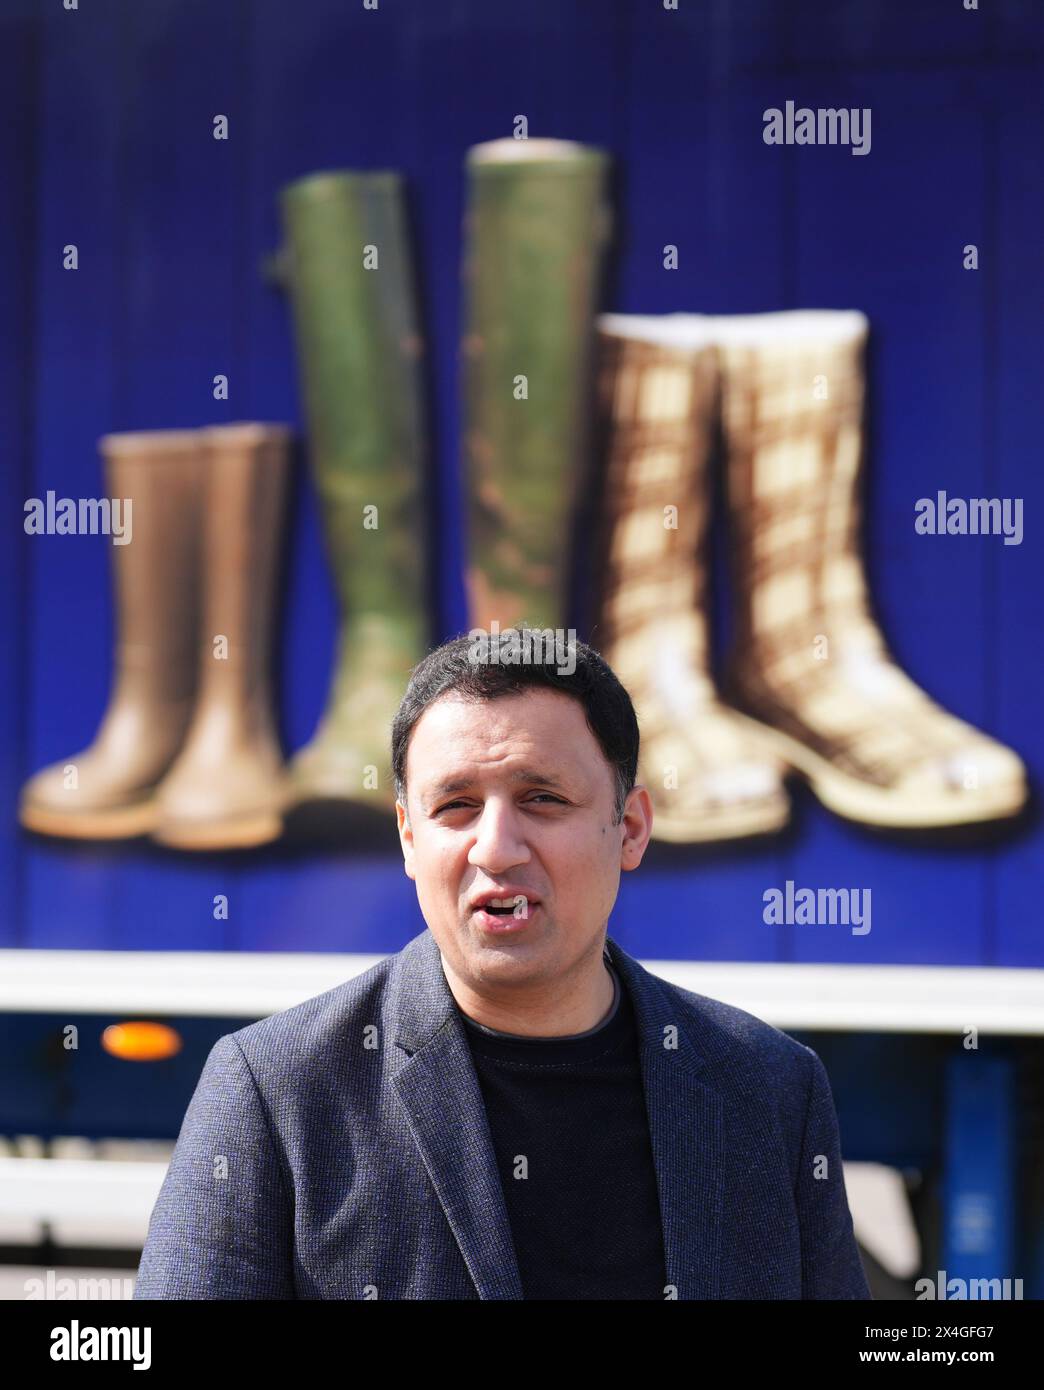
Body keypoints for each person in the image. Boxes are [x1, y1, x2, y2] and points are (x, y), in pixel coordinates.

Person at [134, 630, 871, 1300]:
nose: (495, 847)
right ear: (407, 839)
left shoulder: (769, 1088)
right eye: (455, 805)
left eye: (542, 798)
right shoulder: (277, 1091)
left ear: (632, 827)